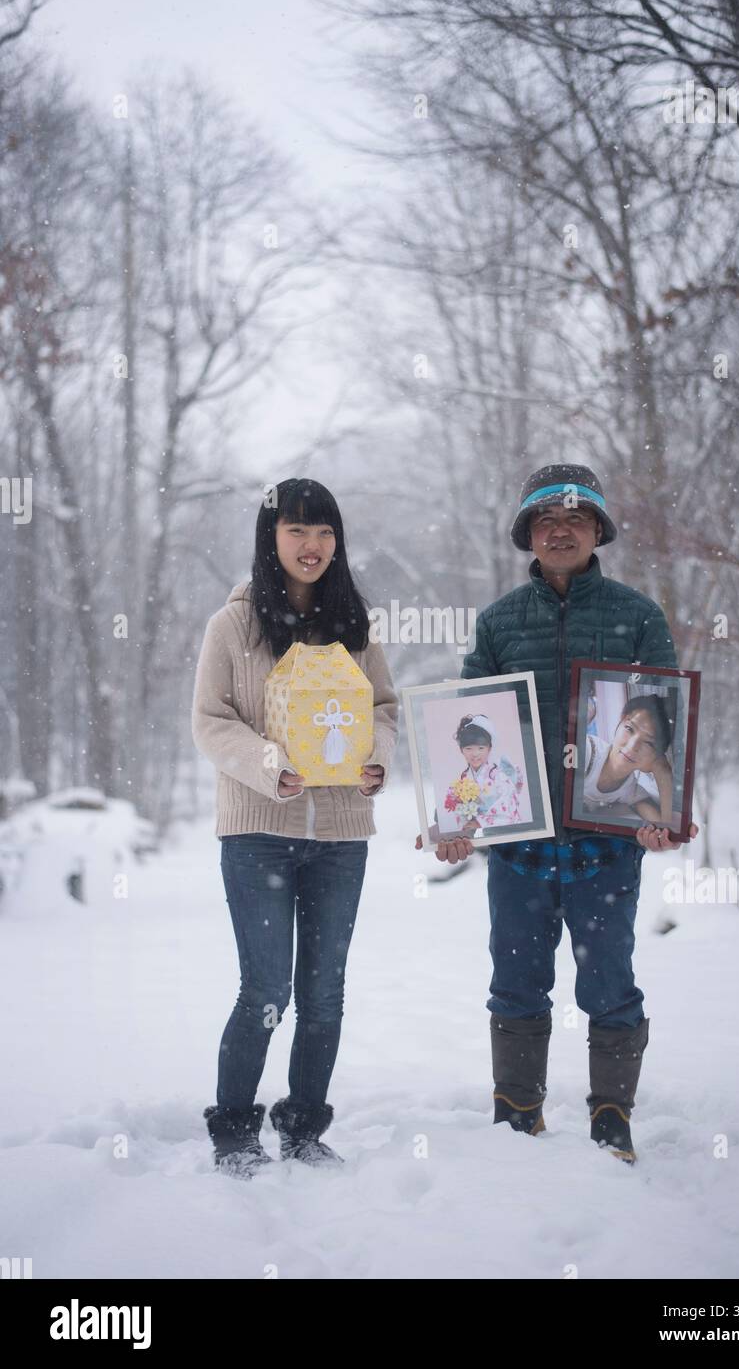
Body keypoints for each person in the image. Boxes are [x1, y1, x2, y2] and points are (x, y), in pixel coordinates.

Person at [417, 463, 698, 1164]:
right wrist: (457, 821)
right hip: (521, 845)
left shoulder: (638, 617)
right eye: (547, 520)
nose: (561, 529)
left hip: (607, 845)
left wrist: (659, 813)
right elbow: (468, 735)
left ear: (598, 528)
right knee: (514, 978)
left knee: (608, 978)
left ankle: (612, 1119)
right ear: (529, 535)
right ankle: (517, 1117)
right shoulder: (499, 623)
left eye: (575, 518)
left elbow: (661, 729)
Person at [192, 478, 398, 1179]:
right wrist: (265, 763)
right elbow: (210, 720)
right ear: (270, 537)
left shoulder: (353, 626)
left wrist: (377, 757)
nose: (311, 546)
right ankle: (233, 1129)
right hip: (258, 831)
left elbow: (386, 708)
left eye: (324, 532)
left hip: (342, 835)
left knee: (325, 992)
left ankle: (304, 1126)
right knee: (265, 991)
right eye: (296, 531)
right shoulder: (233, 625)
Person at [583, 695, 679, 829]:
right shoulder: (585, 752)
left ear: (655, 757)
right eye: (629, 728)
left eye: (649, 743)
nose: (632, 745)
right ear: (620, 722)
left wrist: (663, 771)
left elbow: (666, 829)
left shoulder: (631, 792)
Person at [442, 712, 525, 832]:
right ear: (461, 750)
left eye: (481, 748)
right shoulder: (464, 779)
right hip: (477, 834)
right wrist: (465, 818)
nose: (475, 754)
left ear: (489, 748)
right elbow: (460, 812)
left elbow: (508, 811)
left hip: (504, 832)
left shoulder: (499, 776)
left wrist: (480, 822)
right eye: (469, 748)